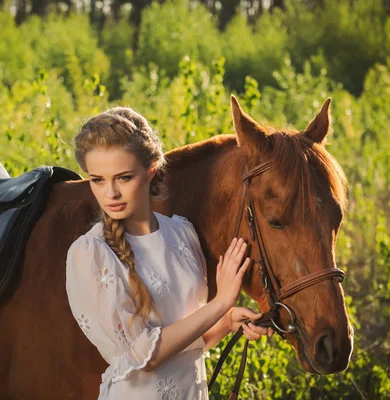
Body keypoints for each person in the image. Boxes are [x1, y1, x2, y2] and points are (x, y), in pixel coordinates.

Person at [65, 107, 273, 399]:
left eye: (123, 177)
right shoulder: (91, 254)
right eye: (97, 179)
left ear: (151, 172)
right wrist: (221, 303)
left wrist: (226, 323)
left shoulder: (182, 233)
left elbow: (184, 343)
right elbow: (145, 357)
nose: (109, 193)